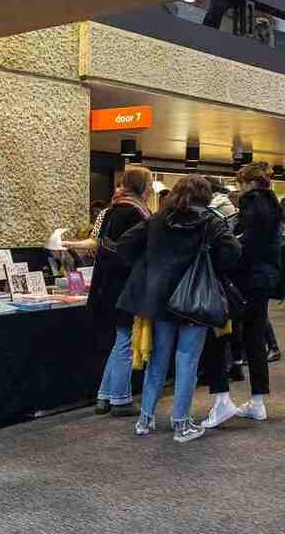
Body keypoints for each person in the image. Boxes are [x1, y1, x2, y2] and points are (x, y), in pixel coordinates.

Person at [115, 174, 241, 443]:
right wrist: (210, 260)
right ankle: (181, 424)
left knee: (158, 361)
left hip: (159, 300)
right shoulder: (210, 220)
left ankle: (145, 419)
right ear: (205, 195)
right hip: (195, 300)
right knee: (187, 361)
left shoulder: (157, 219)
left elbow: (124, 244)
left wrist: (147, 267)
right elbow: (233, 252)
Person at [201, 162, 284, 429]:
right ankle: (257, 402)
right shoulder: (273, 204)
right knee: (255, 339)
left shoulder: (251, 203)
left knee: (220, 334)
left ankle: (221, 400)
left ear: (248, 182)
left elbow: (245, 245)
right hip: (263, 280)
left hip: (244, 280)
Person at [87, 168, 152, 417]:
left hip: (106, 284)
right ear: (141, 187)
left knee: (119, 341)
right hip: (126, 285)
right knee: (125, 340)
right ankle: (120, 399)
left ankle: (104, 396)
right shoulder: (137, 214)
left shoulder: (111, 210)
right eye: (148, 183)